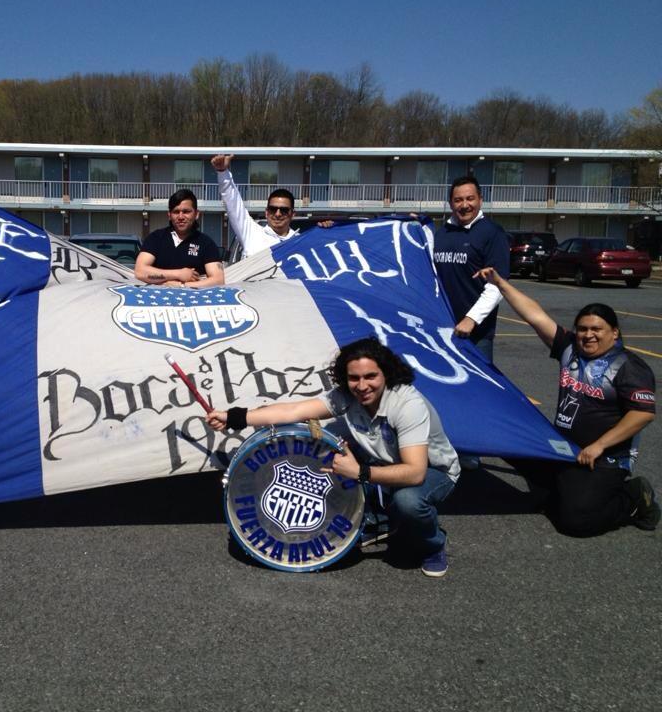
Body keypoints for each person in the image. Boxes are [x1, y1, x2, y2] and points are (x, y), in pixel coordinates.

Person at [207, 337, 460, 577]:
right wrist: (233, 417)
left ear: (386, 373)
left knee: (408, 501)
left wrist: (360, 472)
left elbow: (415, 473)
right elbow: (294, 410)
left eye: (370, 376)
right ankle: (380, 519)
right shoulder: (347, 396)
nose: (362, 386)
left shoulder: (407, 405)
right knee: (320, 450)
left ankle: (433, 545)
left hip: (433, 471)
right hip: (383, 463)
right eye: (354, 378)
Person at [475, 267, 659, 535]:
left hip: (604, 458)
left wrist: (599, 445)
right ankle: (556, 491)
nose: (588, 335)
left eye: (597, 329)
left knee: (575, 522)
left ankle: (632, 497)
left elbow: (642, 414)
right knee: (506, 438)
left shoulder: (629, 366)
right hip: (563, 448)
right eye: (582, 329)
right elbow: (535, 315)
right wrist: (501, 284)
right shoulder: (570, 349)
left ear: (614, 332)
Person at [433, 176, 510, 363]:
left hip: (476, 334)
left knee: (478, 381)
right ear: (451, 203)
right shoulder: (441, 233)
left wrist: (471, 319)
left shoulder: (492, 233)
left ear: (480, 200)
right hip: (442, 330)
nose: (464, 205)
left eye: (470, 199)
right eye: (458, 200)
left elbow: (497, 284)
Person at [210, 154, 299, 261]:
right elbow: (233, 203)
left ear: (292, 214)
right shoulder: (252, 233)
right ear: (266, 212)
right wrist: (223, 172)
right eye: (273, 209)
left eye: (284, 210)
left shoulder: (302, 242)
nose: (277, 214)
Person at [135, 189, 224, 288]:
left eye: (186, 211)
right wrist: (179, 274)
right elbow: (140, 272)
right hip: (157, 296)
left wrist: (182, 285)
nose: (181, 217)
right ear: (169, 215)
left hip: (193, 297)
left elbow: (218, 280)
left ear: (196, 214)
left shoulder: (206, 243)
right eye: (176, 212)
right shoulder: (156, 238)